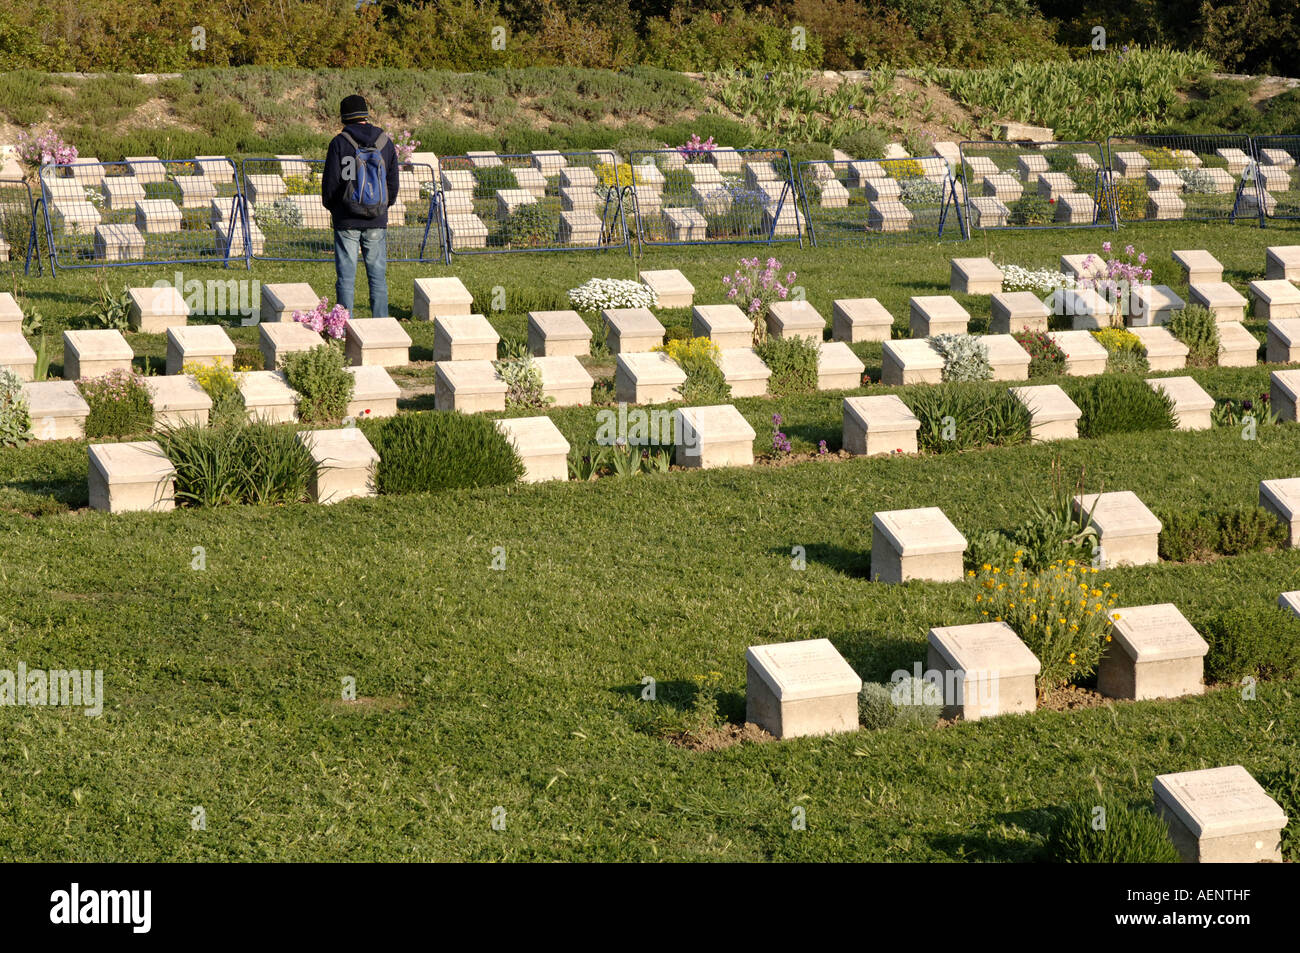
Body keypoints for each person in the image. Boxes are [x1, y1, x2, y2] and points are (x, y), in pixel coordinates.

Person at [321, 94, 399, 317]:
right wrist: (383, 206)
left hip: (346, 219)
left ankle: (344, 328)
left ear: (344, 117)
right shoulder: (385, 142)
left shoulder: (339, 143)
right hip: (377, 219)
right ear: (366, 114)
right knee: (377, 277)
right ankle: (381, 324)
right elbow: (392, 181)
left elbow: (331, 184)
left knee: (346, 277)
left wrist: (336, 209)